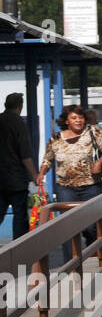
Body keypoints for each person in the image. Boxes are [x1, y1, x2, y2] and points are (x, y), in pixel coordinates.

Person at [39, 105, 102, 261]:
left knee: (91, 227)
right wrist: (42, 172)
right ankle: (70, 263)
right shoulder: (56, 139)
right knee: (68, 226)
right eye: (74, 118)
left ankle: (95, 258)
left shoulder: (93, 132)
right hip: (66, 187)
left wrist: (98, 163)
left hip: (90, 185)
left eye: (81, 117)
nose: (78, 120)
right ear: (66, 121)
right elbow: (48, 158)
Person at [0, 93, 41, 241]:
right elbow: (25, 154)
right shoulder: (18, 123)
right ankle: (19, 259)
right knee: (20, 218)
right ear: (20, 106)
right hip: (16, 180)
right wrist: (34, 175)